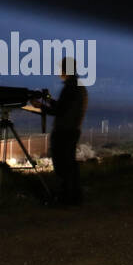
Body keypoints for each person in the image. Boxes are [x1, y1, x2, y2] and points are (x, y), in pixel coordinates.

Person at [31, 57, 88, 206]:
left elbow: (59, 110)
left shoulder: (71, 87)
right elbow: (64, 106)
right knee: (70, 165)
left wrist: (40, 106)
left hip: (64, 132)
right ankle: (75, 197)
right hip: (73, 130)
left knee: (62, 166)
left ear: (65, 70)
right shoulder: (79, 86)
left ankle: (64, 199)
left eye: (60, 69)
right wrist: (48, 99)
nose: (59, 72)